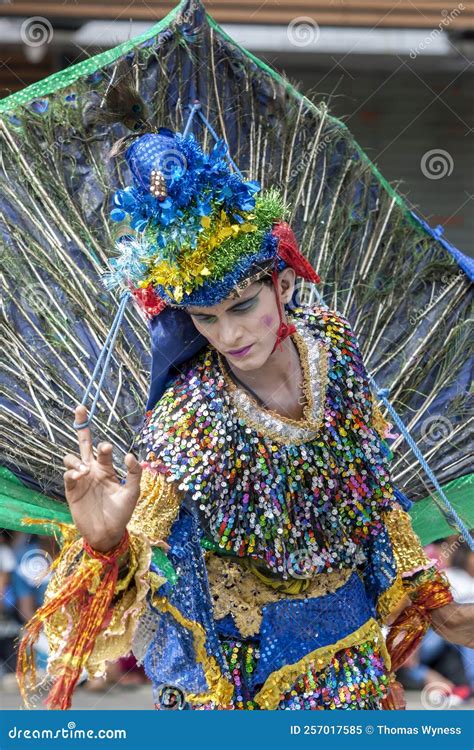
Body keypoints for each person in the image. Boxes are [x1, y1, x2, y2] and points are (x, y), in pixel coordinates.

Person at [15, 110, 474, 712]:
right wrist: (106, 542)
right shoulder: (191, 418)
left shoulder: (333, 346)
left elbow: (372, 491)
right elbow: (150, 557)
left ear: (282, 284)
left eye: (241, 305)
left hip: (356, 656)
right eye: (205, 318)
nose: (229, 334)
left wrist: (436, 602)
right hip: (242, 682)